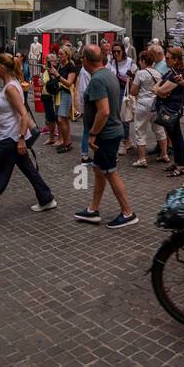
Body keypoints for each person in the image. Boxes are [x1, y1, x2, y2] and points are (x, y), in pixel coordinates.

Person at [0, 52, 56, 222]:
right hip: (11, 138)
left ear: (1, 68)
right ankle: (46, 198)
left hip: (10, 139)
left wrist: (21, 138)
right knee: (29, 170)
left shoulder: (11, 88)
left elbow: (23, 114)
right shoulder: (12, 84)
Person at [72, 45, 137, 229]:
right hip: (109, 132)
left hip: (106, 134)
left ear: (86, 59)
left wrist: (92, 134)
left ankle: (128, 212)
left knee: (110, 171)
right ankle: (93, 209)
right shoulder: (107, 74)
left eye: (82, 57)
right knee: (99, 170)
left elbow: (104, 111)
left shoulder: (99, 79)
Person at [152, 45, 184, 175]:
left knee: (177, 137)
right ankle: (177, 163)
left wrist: (160, 91)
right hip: (166, 107)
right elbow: (155, 87)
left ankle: (181, 165)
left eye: (168, 59)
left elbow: (161, 89)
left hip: (172, 109)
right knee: (172, 136)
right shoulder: (170, 72)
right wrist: (159, 91)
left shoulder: (177, 74)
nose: (166, 61)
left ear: (176, 60)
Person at [128, 48, 162, 168]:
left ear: (143, 60)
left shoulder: (140, 73)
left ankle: (142, 158)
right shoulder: (157, 73)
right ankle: (164, 154)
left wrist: (132, 82)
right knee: (159, 130)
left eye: (140, 60)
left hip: (142, 105)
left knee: (140, 131)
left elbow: (133, 91)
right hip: (155, 105)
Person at [55, 45, 78, 154]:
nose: (59, 56)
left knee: (61, 119)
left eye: (61, 54)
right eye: (58, 54)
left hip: (66, 94)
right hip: (59, 94)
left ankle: (67, 142)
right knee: (64, 120)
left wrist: (57, 76)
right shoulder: (60, 66)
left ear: (67, 55)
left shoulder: (71, 67)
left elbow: (69, 83)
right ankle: (67, 142)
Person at [40, 53, 61, 145]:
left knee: (56, 117)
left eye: (53, 60)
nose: (52, 62)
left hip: (54, 96)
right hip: (46, 96)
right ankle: (51, 137)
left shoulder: (56, 71)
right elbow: (42, 82)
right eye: (50, 61)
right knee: (50, 117)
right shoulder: (46, 70)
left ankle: (59, 137)